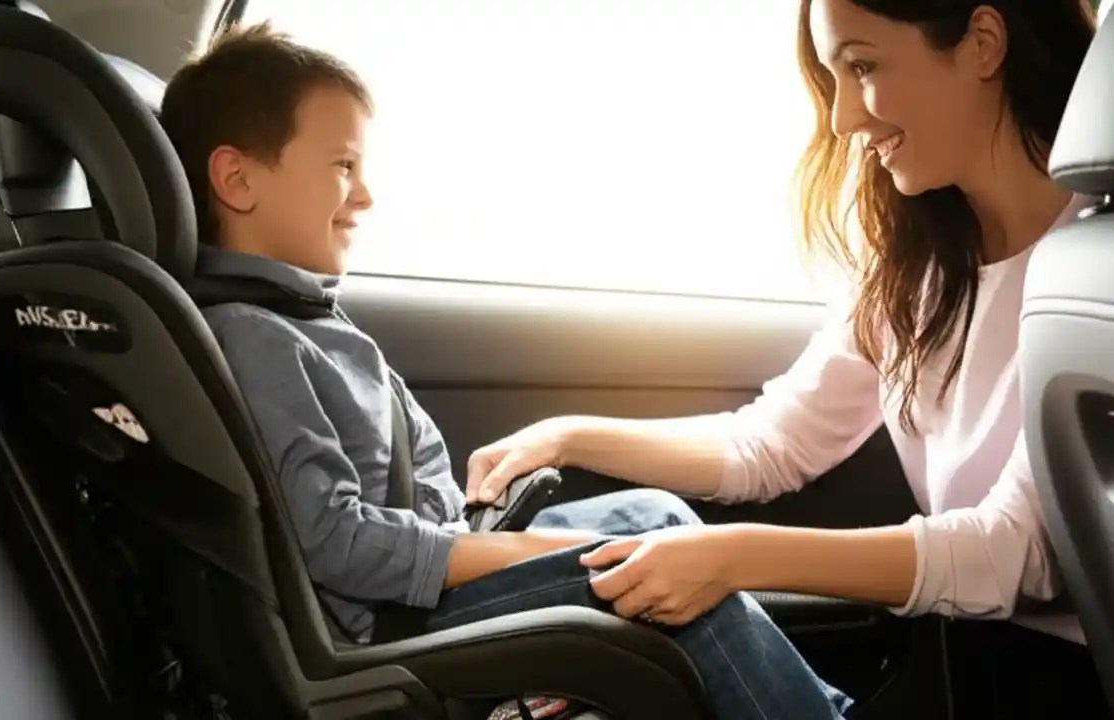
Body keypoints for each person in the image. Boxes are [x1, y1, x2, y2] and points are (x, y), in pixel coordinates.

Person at [159, 22, 849, 719]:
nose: (364, 195)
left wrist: (496, 538)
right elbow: (335, 542)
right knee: (665, 576)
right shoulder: (254, 336)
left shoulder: (296, 316)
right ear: (236, 179)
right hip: (395, 626)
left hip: (424, 580)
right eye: (343, 166)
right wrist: (509, 551)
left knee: (659, 519)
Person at [468, 0, 1108, 716]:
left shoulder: (1109, 275)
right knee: (643, 530)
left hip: (1080, 686)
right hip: (963, 675)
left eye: (862, 66)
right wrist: (568, 435)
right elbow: (770, 444)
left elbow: (1011, 553)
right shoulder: (919, 268)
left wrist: (731, 560)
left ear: (983, 44)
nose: (840, 120)